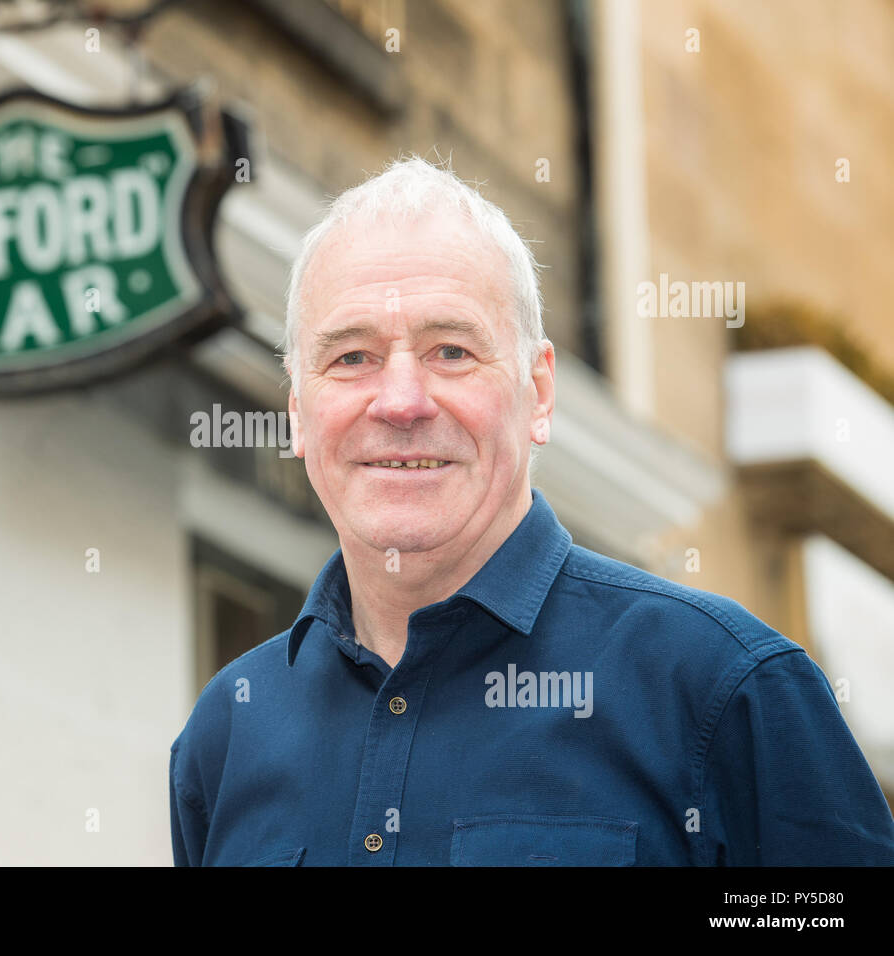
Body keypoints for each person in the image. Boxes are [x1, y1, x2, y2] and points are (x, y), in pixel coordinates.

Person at [169, 156, 894, 865]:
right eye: (350, 358)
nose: (399, 402)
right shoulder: (227, 733)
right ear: (299, 410)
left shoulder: (723, 688)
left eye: (450, 351)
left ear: (538, 394)